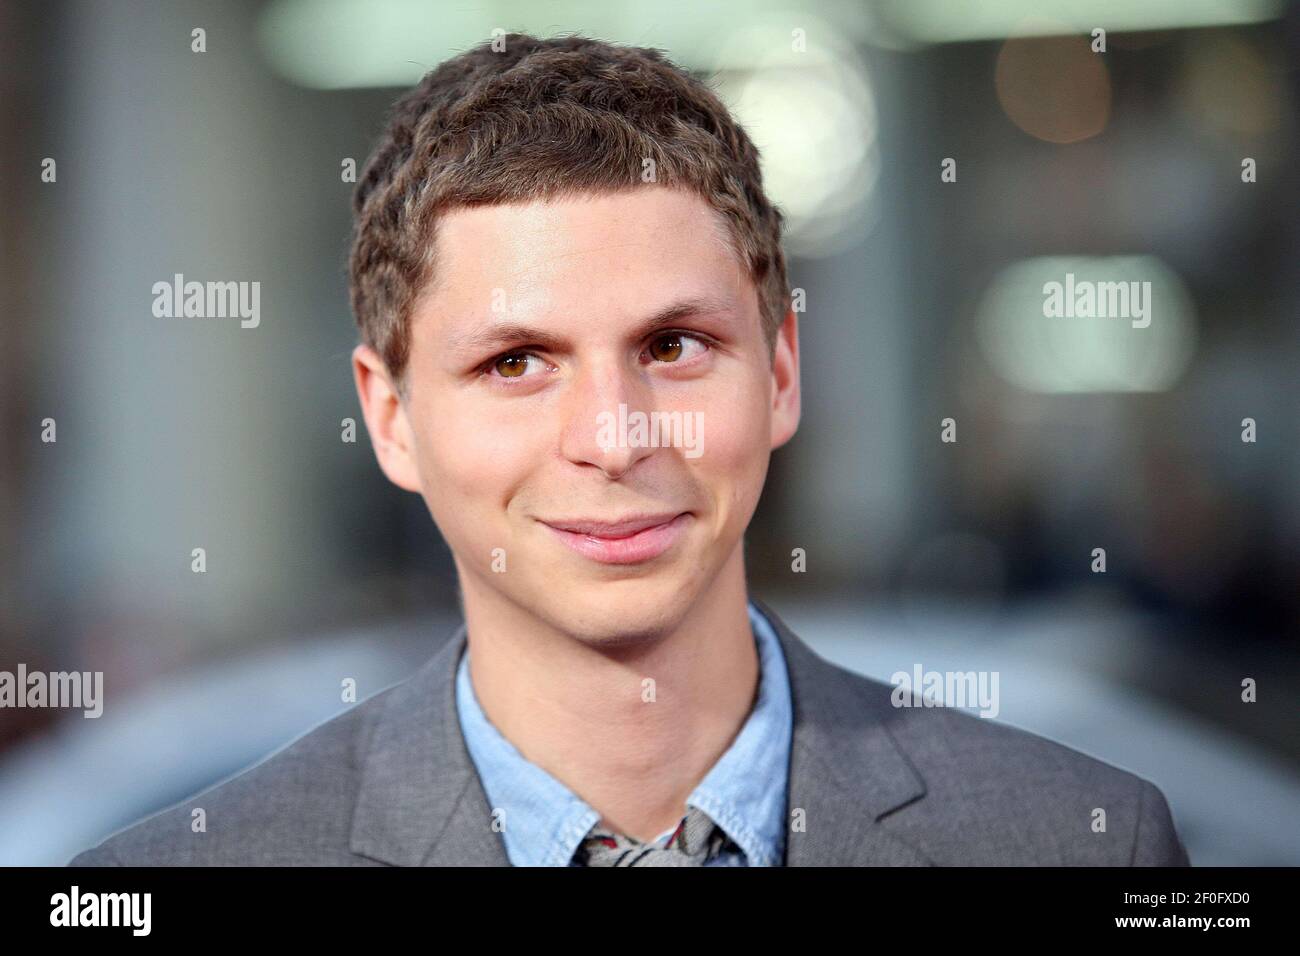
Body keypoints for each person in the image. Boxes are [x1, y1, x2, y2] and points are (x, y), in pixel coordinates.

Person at [69, 33, 1189, 867]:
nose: (613, 435)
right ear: (392, 414)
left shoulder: (1083, 842)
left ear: (783, 371)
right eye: (516, 361)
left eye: (675, 343)